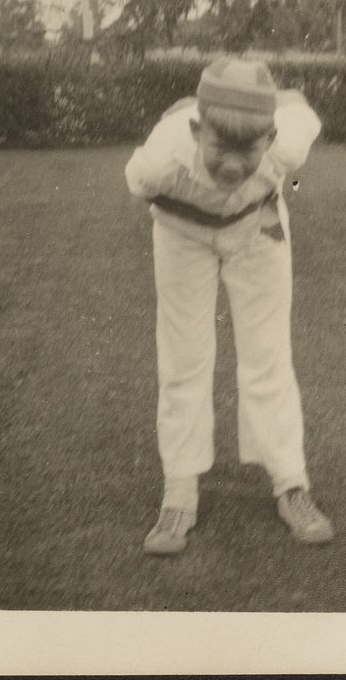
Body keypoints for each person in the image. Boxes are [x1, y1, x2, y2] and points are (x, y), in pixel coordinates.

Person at [125, 56, 334, 555]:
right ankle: (180, 491)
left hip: (255, 227)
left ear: (270, 138)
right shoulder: (160, 160)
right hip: (181, 234)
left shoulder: (290, 139)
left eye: (251, 149)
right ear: (197, 130)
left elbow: (299, 105)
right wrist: (179, 113)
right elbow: (141, 187)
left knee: (268, 354)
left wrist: (276, 97)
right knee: (184, 357)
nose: (235, 166)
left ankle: (290, 482)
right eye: (221, 147)